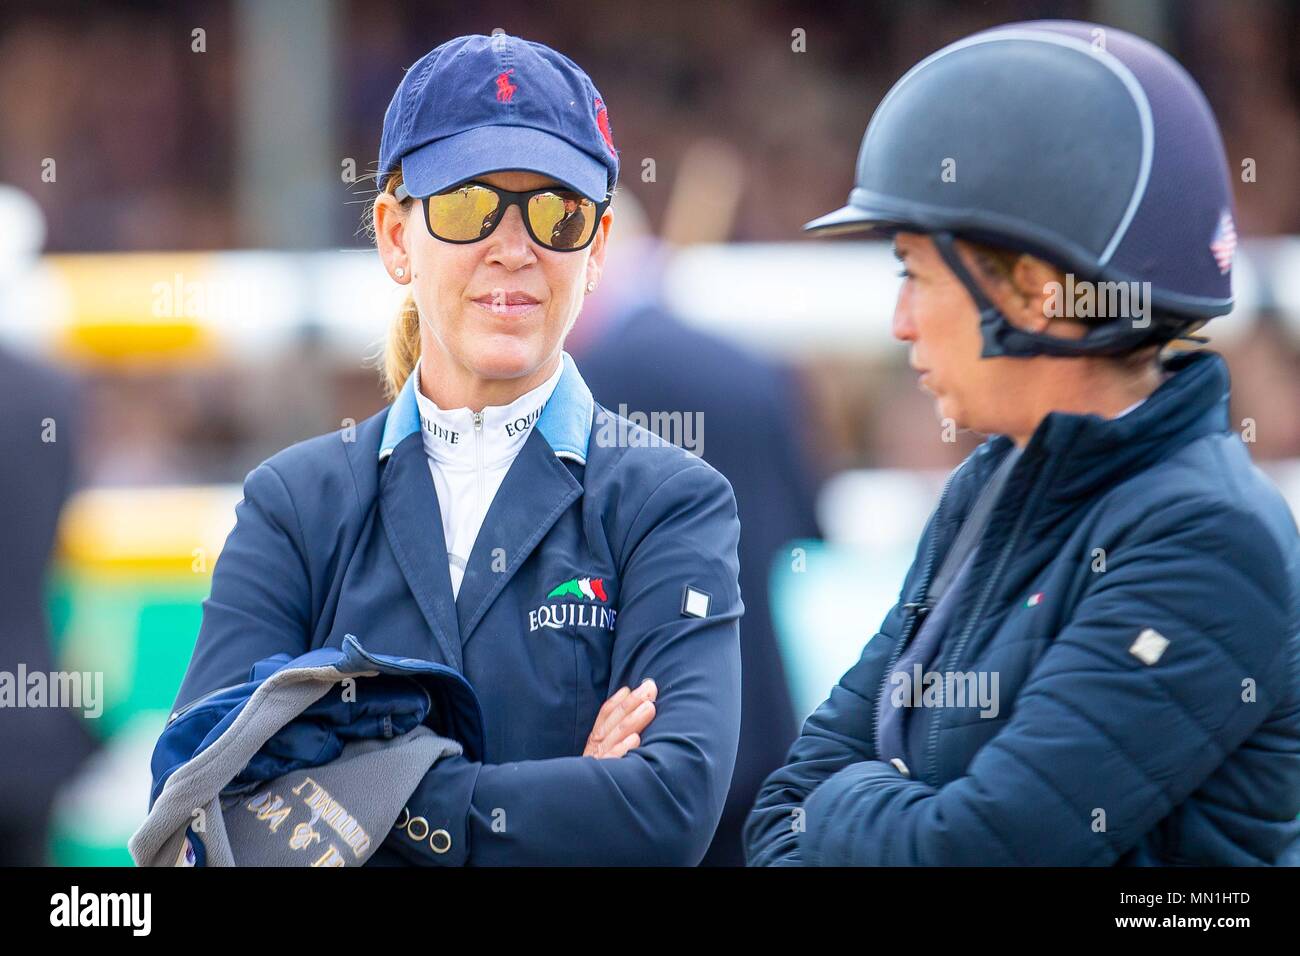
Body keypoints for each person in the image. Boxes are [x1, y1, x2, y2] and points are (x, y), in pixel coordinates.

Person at [169, 33, 742, 866]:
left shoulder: (671, 500)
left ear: (599, 247)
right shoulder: (294, 504)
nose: (514, 245)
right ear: (396, 236)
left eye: (557, 211)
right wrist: (565, 800)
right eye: (469, 203)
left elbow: (666, 812)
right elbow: (202, 801)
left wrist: (355, 790)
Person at [745, 20, 1300, 866]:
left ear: (1039, 293)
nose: (898, 322)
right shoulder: (989, 485)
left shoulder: (1207, 540)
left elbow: (973, 852)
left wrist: (845, 805)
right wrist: (868, 810)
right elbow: (778, 812)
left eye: (914, 273)